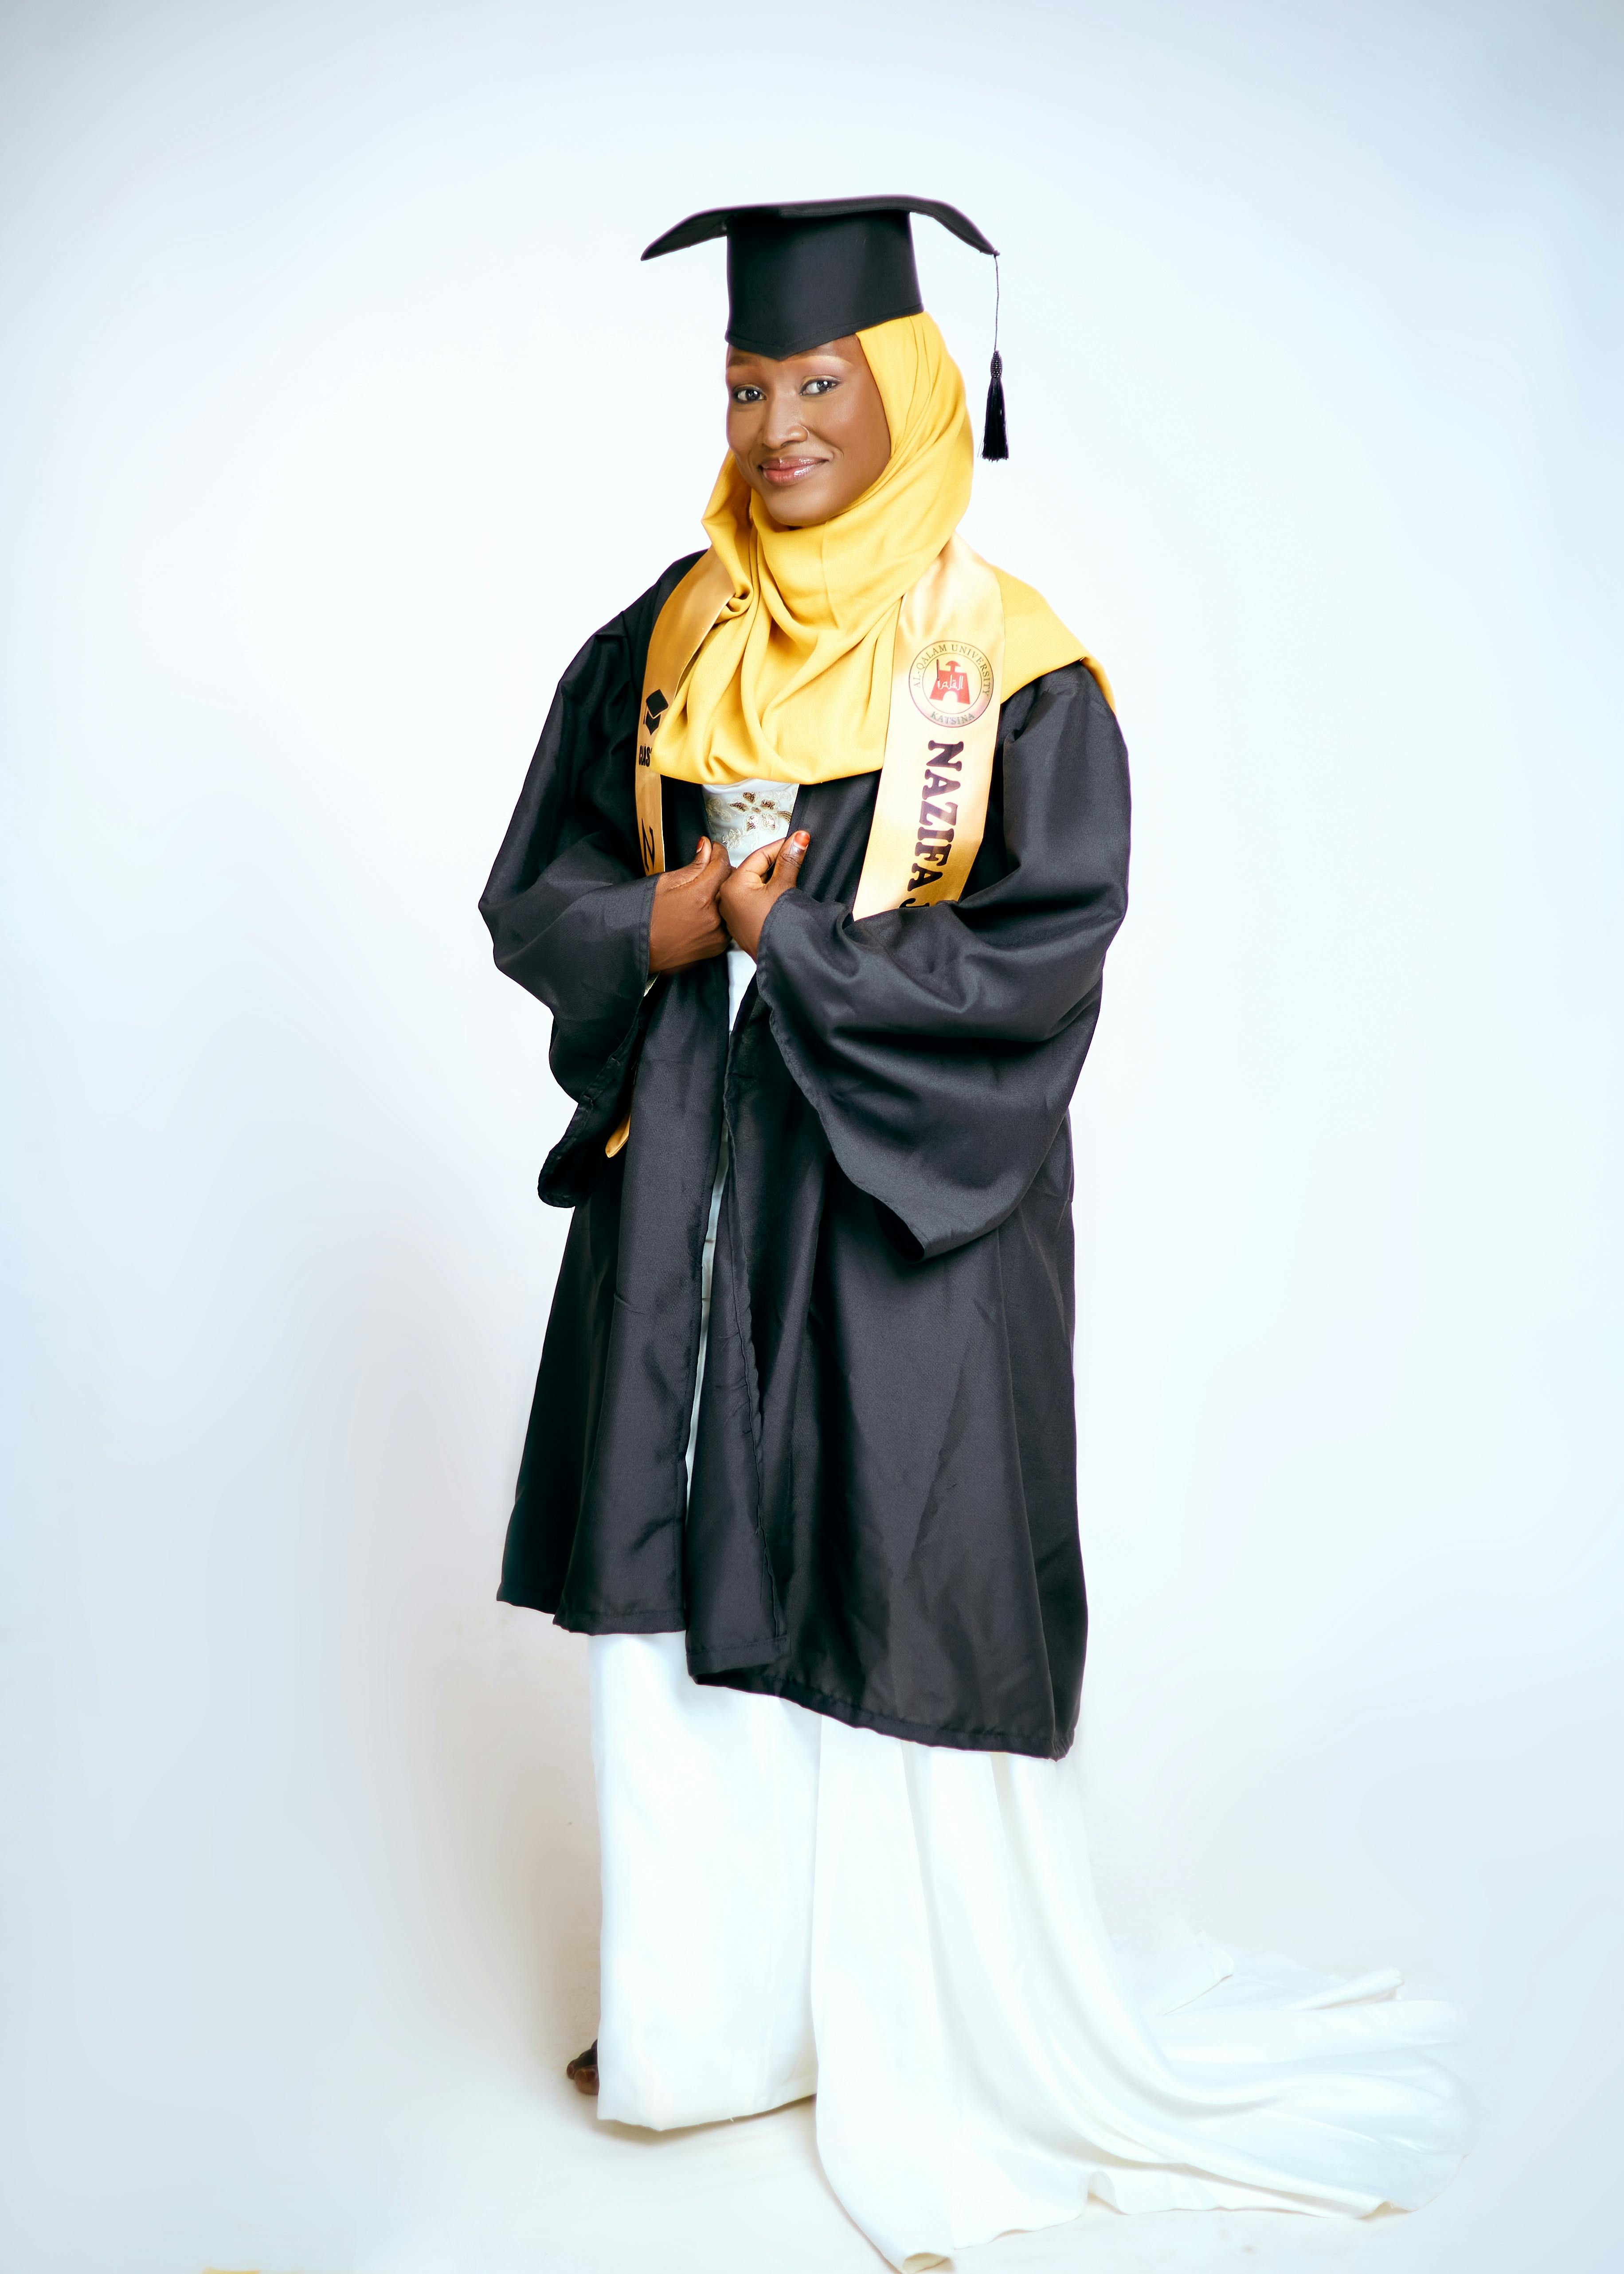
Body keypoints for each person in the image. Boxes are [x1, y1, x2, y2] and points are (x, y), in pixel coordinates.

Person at [480, 196, 1471, 2269]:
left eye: (819, 378)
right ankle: (707, 2023)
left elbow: (1039, 958)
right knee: (681, 1588)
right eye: (749, 384)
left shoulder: (1002, 667)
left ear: (915, 383)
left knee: (891, 1571)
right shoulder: (666, 637)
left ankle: (921, 2033)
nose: (778, 424)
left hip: (897, 1220)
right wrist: (668, 917)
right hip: (687, 1214)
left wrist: (798, 945)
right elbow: (538, 891)